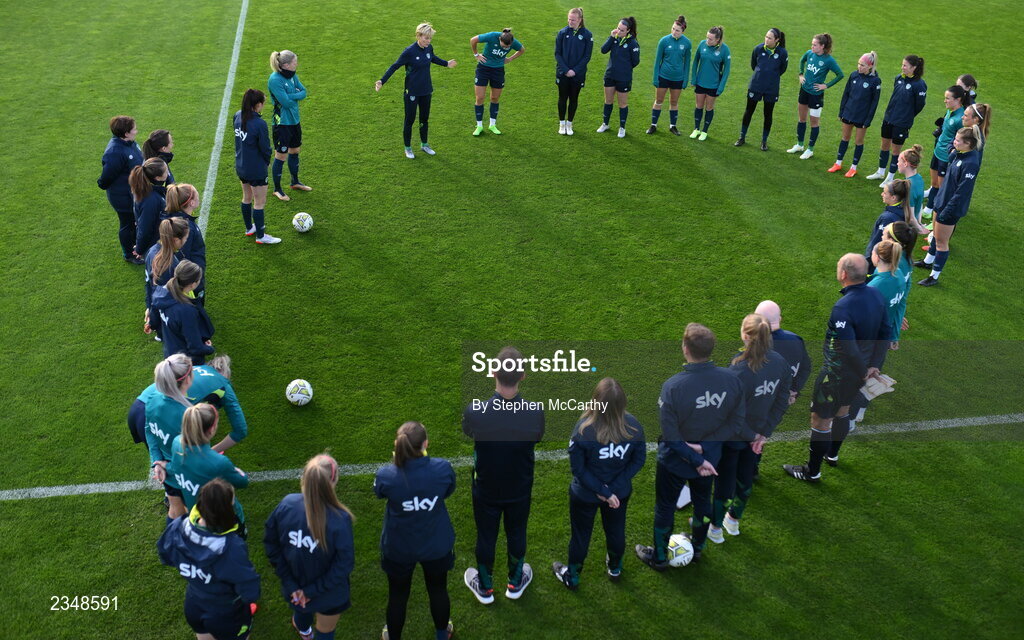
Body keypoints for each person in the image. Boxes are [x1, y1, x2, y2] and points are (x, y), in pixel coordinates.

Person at [635, 323, 745, 569]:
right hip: (710, 461)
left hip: (676, 462)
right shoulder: (731, 380)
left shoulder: (673, 386)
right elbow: (736, 423)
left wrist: (697, 456)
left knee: (665, 507)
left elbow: (671, 437)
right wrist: (706, 450)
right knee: (703, 502)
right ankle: (698, 548)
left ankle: (661, 558)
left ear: (685, 349)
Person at [784, 254, 890, 482]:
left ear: (843, 274)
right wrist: (873, 366)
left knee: (820, 419)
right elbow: (886, 332)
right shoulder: (877, 295)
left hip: (837, 374)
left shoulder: (843, 307)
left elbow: (849, 348)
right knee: (843, 411)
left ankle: (812, 471)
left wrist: (864, 369)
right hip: (858, 374)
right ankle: (832, 455)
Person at [462, 346, 544, 604]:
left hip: (486, 488)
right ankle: (515, 581)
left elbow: (469, 432)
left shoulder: (475, 411)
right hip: (519, 488)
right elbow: (537, 437)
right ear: (523, 376)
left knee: (486, 536)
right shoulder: (535, 411)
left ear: (493, 372)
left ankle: (485, 587)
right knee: (517, 533)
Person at [552, 378, 645, 589]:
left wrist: (601, 490)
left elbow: (578, 469)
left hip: (586, 494)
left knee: (580, 536)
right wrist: (610, 490)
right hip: (618, 494)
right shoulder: (634, 427)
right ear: (622, 403)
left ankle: (573, 577)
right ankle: (615, 568)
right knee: (616, 530)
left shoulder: (584, 429)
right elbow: (638, 460)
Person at [710, 314, 791, 540]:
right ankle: (733, 520)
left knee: (724, 485)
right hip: (756, 439)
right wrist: (763, 434)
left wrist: (753, 434)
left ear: (745, 335)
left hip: (735, 437)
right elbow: (782, 400)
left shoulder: (737, 370)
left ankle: (715, 528)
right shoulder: (779, 363)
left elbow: (728, 412)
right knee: (745, 480)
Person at [374, 422, 456, 640]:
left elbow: (379, 493)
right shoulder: (442, 469)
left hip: (399, 547)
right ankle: (441, 634)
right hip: (436, 544)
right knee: (438, 589)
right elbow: (448, 490)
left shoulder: (386, 475)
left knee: (398, 595)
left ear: (397, 444)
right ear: (425, 444)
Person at [265, 454, 355, 640]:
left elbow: (272, 546)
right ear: (334, 480)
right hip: (328, 593)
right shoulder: (339, 519)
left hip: (295, 589)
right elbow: (344, 563)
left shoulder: (287, 504)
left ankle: (304, 630)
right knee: (325, 632)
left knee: (302, 609)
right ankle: (305, 630)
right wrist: (311, 592)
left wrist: (294, 587)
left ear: (303, 479)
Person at [157, 478, 260, 640]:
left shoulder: (178, 527)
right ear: (227, 510)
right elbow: (249, 587)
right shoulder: (232, 547)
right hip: (226, 612)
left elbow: (165, 553)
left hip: (194, 605)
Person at [129, 354, 247, 450]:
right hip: (156, 414)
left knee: (160, 458)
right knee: (176, 467)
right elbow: (240, 430)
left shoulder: (193, 369)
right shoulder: (224, 385)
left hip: (137, 409)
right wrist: (213, 451)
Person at [376, 22, 457, 157]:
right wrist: (382, 81)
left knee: (424, 119)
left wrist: (446, 63)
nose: (428, 41)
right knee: (410, 120)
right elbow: (394, 66)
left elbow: (432, 58)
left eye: (430, 38)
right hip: (412, 92)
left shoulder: (428, 48)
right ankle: (408, 147)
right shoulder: (409, 52)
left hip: (426, 90)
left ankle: (424, 144)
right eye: (426, 38)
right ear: (418, 36)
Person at [915, 126, 983, 287]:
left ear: (968, 143)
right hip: (941, 201)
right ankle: (927, 261)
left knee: (941, 242)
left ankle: (934, 276)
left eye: (958, 140)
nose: (954, 142)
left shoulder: (971, 163)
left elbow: (961, 193)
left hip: (950, 208)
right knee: (936, 236)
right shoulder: (959, 154)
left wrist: (947, 210)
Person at [167, 403, 250, 530]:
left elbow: (173, 467)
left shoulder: (177, 443)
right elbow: (243, 482)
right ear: (211, 429)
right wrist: (239, 472)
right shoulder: (219, 462)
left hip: (196, 516)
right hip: (223, 519)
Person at [145, 354, 194, 522]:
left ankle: (171, 545)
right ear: (188, 378)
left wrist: (157, 462)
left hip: (168, 475)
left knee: (175, 511)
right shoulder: (188, 415)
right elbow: (192, 457)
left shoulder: (152, 400)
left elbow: (149, 431)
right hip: (186, 476)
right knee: (198, 518)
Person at [866, 55, 927, 186]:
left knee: (895, 151)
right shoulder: (899, 78)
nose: (902, 67)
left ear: (914, 68)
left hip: (902, 122)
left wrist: (907, 115)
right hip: (889, 118)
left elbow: (919, 105)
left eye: (905, 65)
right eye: (902, 64)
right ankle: (880, 172)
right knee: (884, 146)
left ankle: (890, 177)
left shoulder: (919, 85)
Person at [234, 88, 280, 244]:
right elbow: (265, 148)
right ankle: (261, 236)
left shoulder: (237, 116)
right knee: (259, 202)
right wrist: (266, 162)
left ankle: (249, 228)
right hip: (256, 168)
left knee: (246, 197)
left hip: (241, 166)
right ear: (258, 104)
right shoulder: (259, 123)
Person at [787, 34, 843, 159]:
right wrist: (801, 74)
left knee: (814, 122)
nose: (812, 47)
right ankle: (799, 145)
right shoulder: (809, 54)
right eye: (812, 44)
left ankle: (810, 149)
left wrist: (826, 86)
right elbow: (802, 61)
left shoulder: (828, 60)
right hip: (804, 91)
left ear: (822, 46)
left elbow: (840, 75)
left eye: (814, 45)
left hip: (816, 95)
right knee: (801, 119)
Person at [97, 115, 144, 263]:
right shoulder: (115, 152)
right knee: (128, 224)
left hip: (133, 193)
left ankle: (138, 247)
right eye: (134, 129)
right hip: (122, 196)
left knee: (136, 221)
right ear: (125, 134)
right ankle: (129, 254)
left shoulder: (130, 143)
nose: (136, 131)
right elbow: (106, 178)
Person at [150, 260, 215, 365]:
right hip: (186, 362)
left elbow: (154, 319)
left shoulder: (161, 293)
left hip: (170, 353)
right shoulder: (186, 311)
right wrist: (209, 349)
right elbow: (195, 348)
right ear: (193, 284)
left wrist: (151, 325)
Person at [828, 52, 880, 177]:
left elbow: (874, 103)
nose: (859, 67)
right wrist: (841, 111)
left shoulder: (875, 81)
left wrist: (868, 120)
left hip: (862, 117)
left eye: (862, 65)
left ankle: (853, 167)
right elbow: (846, 94)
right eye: (858, 64)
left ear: (870, 66)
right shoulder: (853, 75)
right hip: (848, 112)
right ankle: (838, 163)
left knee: (858, 141)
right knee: (844, 138)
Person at [268, 49, 311, 200]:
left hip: (294, 120)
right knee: (281, 155)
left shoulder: (293, 75)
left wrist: (291, 96)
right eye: (295, 62)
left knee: (295, 150)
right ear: (286, 65)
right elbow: (285, 103)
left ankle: (295, 182)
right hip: (282, 123)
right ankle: (277, 189)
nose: (297, 64)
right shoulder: (275, 80)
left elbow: (304, 92)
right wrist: (294, 97)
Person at [919, 86, 967, 222]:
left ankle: (936, 214)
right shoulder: (949, 111)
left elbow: (960, 141)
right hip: (938, 152)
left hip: (946, 158)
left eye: (947, 98)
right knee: (934, 183)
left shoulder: (960, 119)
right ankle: (929, 209)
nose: (945, 101)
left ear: (957, 100)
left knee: (942, 189)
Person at [735, 27, 787, 150]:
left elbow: (782, 69)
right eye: (766, 36)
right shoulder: (758, 49)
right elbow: (754, 65)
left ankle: (764, 141)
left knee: (768, 114)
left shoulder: (782, 53)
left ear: (777, 40)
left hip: (771, 88)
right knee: (749, 111)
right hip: (756, 85)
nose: (766, 39)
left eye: (769, 38)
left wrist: (771, 77)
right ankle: (742, 137)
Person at [753, 300, 812, 405]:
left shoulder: (756, 344)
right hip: (783, 398)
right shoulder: (796, 339)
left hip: (759, 401)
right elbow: (805, 368)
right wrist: (793, 390)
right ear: (779, 319)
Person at [470, 29, 524, 136]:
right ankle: (479, 126)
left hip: (498, 71)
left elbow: (522, 50)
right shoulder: (492, 36)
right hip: (483, 69)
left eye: (507, 47)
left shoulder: (512, 42)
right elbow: (473, 40)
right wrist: (476, 55)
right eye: (503, 46)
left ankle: (492, 125)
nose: (505, 48)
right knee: (480, 97)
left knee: (495, 98)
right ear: (499, 39)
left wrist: (510, 59)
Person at [161, 183, 207, 304]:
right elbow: (183, 256)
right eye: (197, 196)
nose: (199, 198)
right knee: (195, 306)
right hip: (191, 276)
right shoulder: (186, 228)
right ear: (191, 203)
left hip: (190, 273)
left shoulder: (175, 220)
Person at [144, 218, 189, 340]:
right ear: (175, 240)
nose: (186, 241)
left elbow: (148, 284)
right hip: (167, 312)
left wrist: (148, 306)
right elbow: (164, 297)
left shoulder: (152, 251)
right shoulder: (170, 266)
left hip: (157, 306)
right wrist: (152, 320)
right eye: (185, 238)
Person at [647, 15, 690, 136]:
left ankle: (673, 126)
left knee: (674, 102)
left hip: (678, 78)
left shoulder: (687, 43)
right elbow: (657, 61)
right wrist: (655, 77)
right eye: (673, 29)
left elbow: (687, 63)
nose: (674, 32)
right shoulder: (664, 41)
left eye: (677, 30)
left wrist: (685, 79)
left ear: (683, 31)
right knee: (659, 100)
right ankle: (653, 125)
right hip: (663, 76)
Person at [597, 17, 640, 138]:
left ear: (628, 31)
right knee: (608, 101)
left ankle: (622, 127)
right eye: (618, 28)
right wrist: (611, 37)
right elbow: (603, 50)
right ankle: (605, 124)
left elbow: (635, 61)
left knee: (622, 103)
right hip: (610, 75)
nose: (618, 31)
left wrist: (624, 68)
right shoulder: (614, 38)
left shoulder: (633, 43)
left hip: (623, 78)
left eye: (622, 30)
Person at [554, 8, 594, 136]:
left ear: (580, 20)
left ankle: (569, 123)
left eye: (573, 19)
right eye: (569, 19)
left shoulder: (587, 35)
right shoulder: (562, 33)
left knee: (573, 99)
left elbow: (587, 56)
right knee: (562, 98)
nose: (570, 22)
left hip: (578, 75)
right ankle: (562, 123)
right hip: (563, 73)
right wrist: (566, 70)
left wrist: (574, 71)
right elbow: (557, 53)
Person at [865, 179, 920, 266]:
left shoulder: (887, 218)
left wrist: (868, 261)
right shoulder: (903, 210)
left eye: (885, 193)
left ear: (893, 198)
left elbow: (877, 242)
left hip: (879, 262)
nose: (882, 194)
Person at [689, 26, 730, 140]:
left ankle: (704, 131)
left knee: (709, 107)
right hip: (701, 83)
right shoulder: (702, 44)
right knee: (698, 106)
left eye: (710, 39)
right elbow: (696, 61)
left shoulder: (724, 49)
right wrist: (693, 79)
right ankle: (696, 129)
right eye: (707, 37)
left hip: (713, 85)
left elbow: (726, 70)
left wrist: (721, 87)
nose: (708, 40)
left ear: (718, 39)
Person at [129, 157, 170, 259]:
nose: (168, 172)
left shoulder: (147, 189)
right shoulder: (151, 200)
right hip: (155, 246)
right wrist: (140, 249)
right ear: (157, 177)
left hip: (157, 241)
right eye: (166, 171)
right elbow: (145, 229)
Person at [898, 144, 926, 222]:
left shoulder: (909, 186)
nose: (897, 164)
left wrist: (920, 229)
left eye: (898, 161)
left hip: (906, 227)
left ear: (905, 164)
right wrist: (919, 222)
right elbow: (920, 203)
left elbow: (910, 217)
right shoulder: (919, 178)